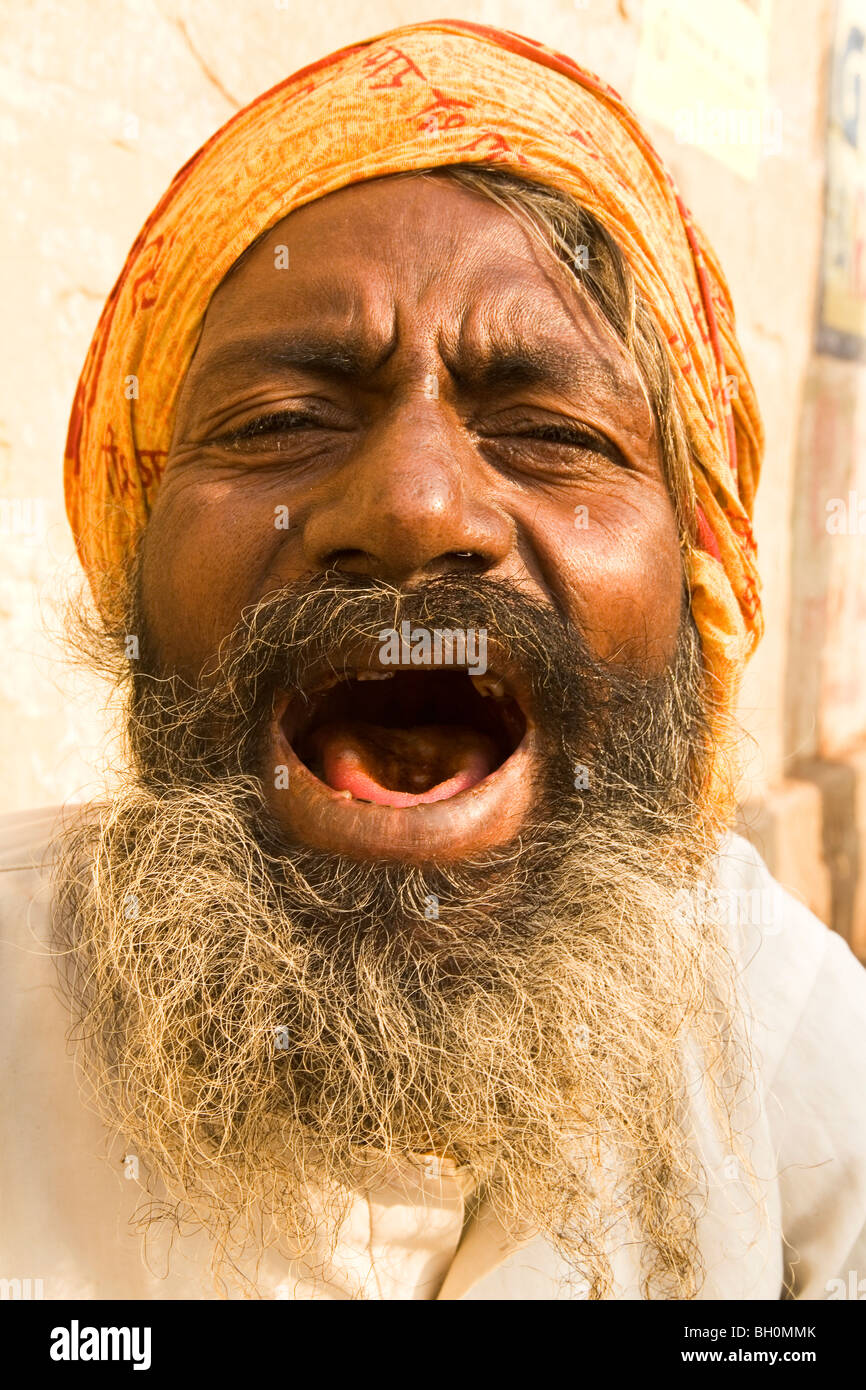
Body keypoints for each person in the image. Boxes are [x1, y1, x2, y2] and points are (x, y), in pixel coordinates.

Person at [1, 18, 864, 1302]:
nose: (413, 506)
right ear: (135, 549)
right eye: (284, 421)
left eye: (546, 430)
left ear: (694, 586)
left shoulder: (795, 1054)